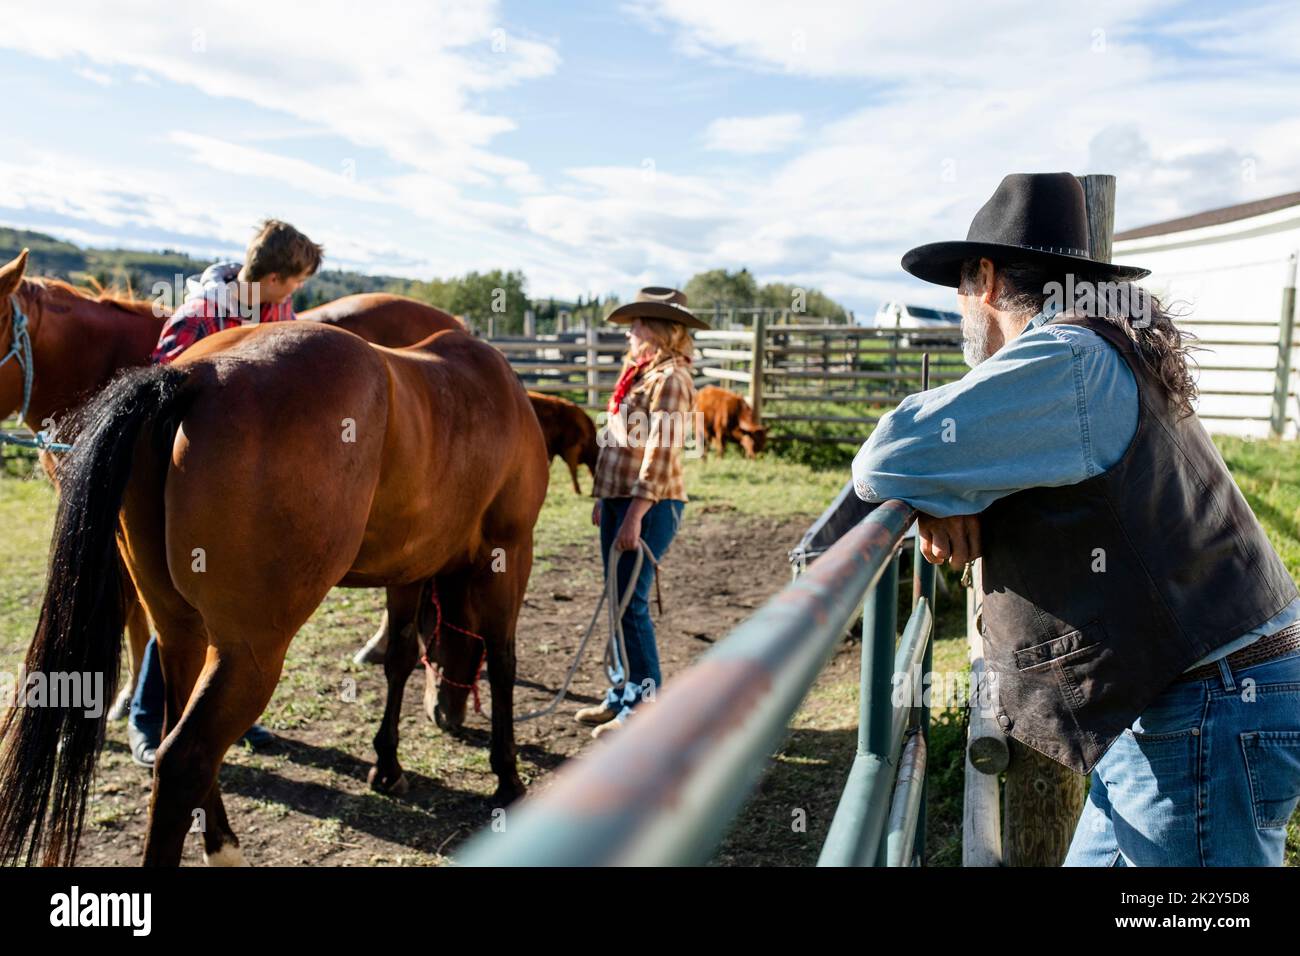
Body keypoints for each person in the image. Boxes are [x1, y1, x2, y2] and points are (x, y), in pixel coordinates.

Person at [853, 171, 1300, 866]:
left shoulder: (1063, 358)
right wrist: (952, 495)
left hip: (1203, 708)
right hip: (1189, 699)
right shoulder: (1092, 346)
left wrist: (940, 486)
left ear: (989, 279)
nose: (965, 307)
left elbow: (885, 456)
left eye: (963, 287)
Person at [128, 219, 324, 768]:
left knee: (237, 607)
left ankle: (233, 713)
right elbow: (160, 386)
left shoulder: (280, 314)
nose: (298, 294)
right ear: (278, 275)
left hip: (253, 481)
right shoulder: (200, 315)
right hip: (193, 481)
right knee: (180, 610)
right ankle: (149, 720)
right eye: (297, 281)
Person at [576, 287, 706, 737]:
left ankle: (644, 707)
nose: (630, 332)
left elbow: (661, 452)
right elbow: (620, 441)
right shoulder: (639, 375)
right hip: (621, 500)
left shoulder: (671, 378)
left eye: (637, 324)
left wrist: (633, 514)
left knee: (631, 603)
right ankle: (622, 694)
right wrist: (603, 497)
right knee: (618, 600)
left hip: (648, 505)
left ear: (658, 330)